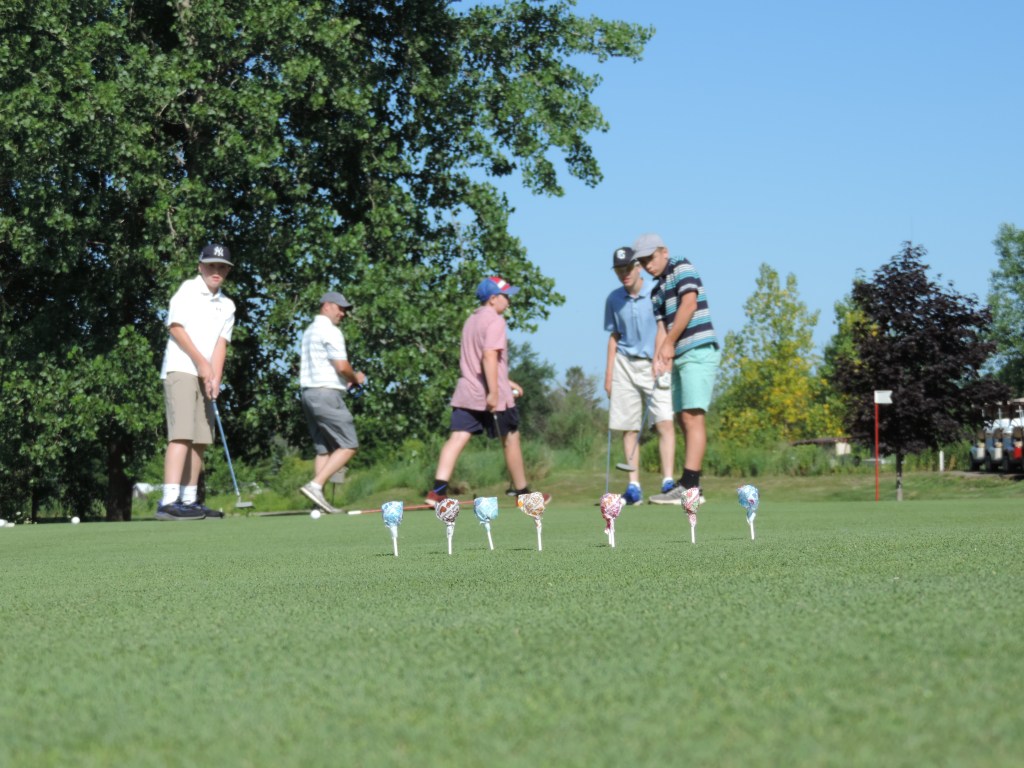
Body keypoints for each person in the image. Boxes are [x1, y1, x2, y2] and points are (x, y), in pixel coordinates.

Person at [426, 277, 548, 507]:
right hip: (493, 394)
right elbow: (489, 356)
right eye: (506, 296)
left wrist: (506, 380)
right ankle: (523, 494)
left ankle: (437, 492)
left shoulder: (471, 320)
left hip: (467, 390)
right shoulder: (496, 321)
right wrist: (494, 391)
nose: (509, 301)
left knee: (458, 437)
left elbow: (476, 359)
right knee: (511, 438)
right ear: (493, 299)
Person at [633, 233, 721, 512]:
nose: (647, 265)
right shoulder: (656, 291)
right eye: (643, 261)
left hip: (698, 350)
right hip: (680, 354)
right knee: (684, 418)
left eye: (650, 258)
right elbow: (661, 329)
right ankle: (688, 484)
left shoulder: (682, 265)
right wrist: (658, 357)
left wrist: (669, 344)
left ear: (664, 252)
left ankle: (692, 486)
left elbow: (689, 304)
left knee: (693, 416)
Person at [157, 243, 237, 520]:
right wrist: (202, 364)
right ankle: (169, 499)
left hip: (205, 376)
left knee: (201, 438)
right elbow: (176, 328)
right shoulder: (188, 290)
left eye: (222, 267)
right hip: (181, 369)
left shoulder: (227, 305)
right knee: (182, 434)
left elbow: (220, 344)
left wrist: (216, 376)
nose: (217, 271)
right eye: (212, 265)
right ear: (200, 266)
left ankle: (190, 500)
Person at [603, 245, 676, 504]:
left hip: (655, 363)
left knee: (664, 421)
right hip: (624, 364)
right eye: (619, 269)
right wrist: (609, 373)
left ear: (637, 267)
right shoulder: (613, 299)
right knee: (628, 426)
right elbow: (614, 337)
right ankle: (633, 487)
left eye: (628, 268)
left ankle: (668, 481)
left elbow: (667, 328)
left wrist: (663, 359)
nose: (624, 273)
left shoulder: (656, 291)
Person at [298, 291, 367, 513]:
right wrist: (356, 378)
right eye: (340, 308)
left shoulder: (309, 331)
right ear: (327, 306)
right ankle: (316, 485)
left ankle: (316, 504)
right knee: (349, 444)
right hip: (326, 394)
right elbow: (342, 366)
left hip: (309, 393)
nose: (343, 313)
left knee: (324, 449)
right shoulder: (331, 331)